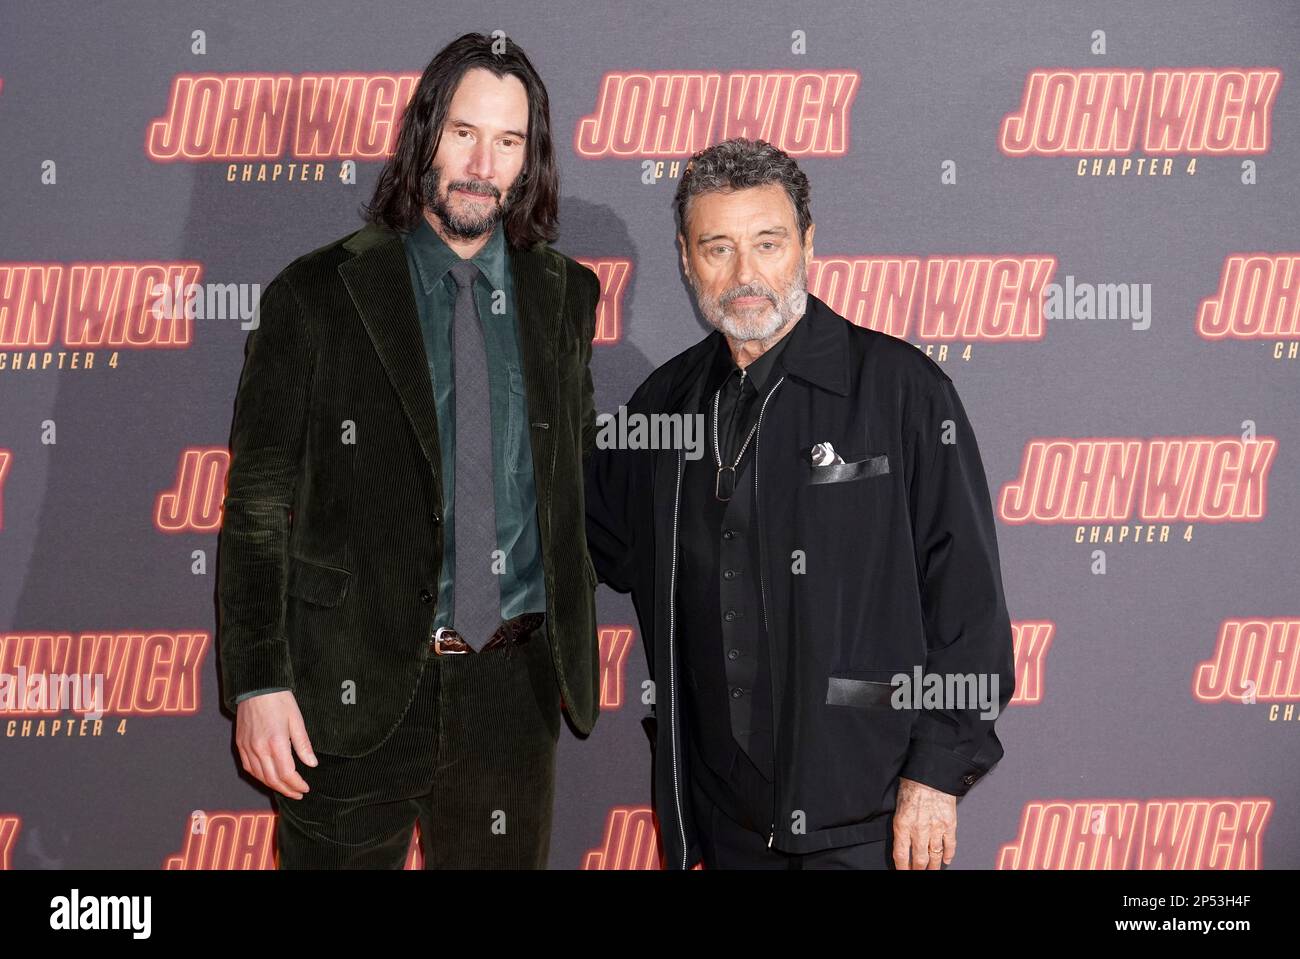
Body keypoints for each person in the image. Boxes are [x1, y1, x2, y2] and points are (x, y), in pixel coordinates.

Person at [216, 32, 602, 869]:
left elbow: (572, 478)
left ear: (530, 160)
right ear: (423, 131)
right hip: (348, 691)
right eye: (463, 131)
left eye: (508, 141)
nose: (481, 162)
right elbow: (255, 507)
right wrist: (257, 680)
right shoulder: (315, 293)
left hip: (512, 693)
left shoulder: (565, 294)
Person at [585, 137, 1015, 870]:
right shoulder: (665, 404)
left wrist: (937, 774)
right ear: (687, 260)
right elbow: (582, 539)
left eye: (768, 242)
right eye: (717, 247)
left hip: (868, 821)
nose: (745, 274)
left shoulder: (903, 391)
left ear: (808, 245)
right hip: (722, 825)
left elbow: (969, 609)